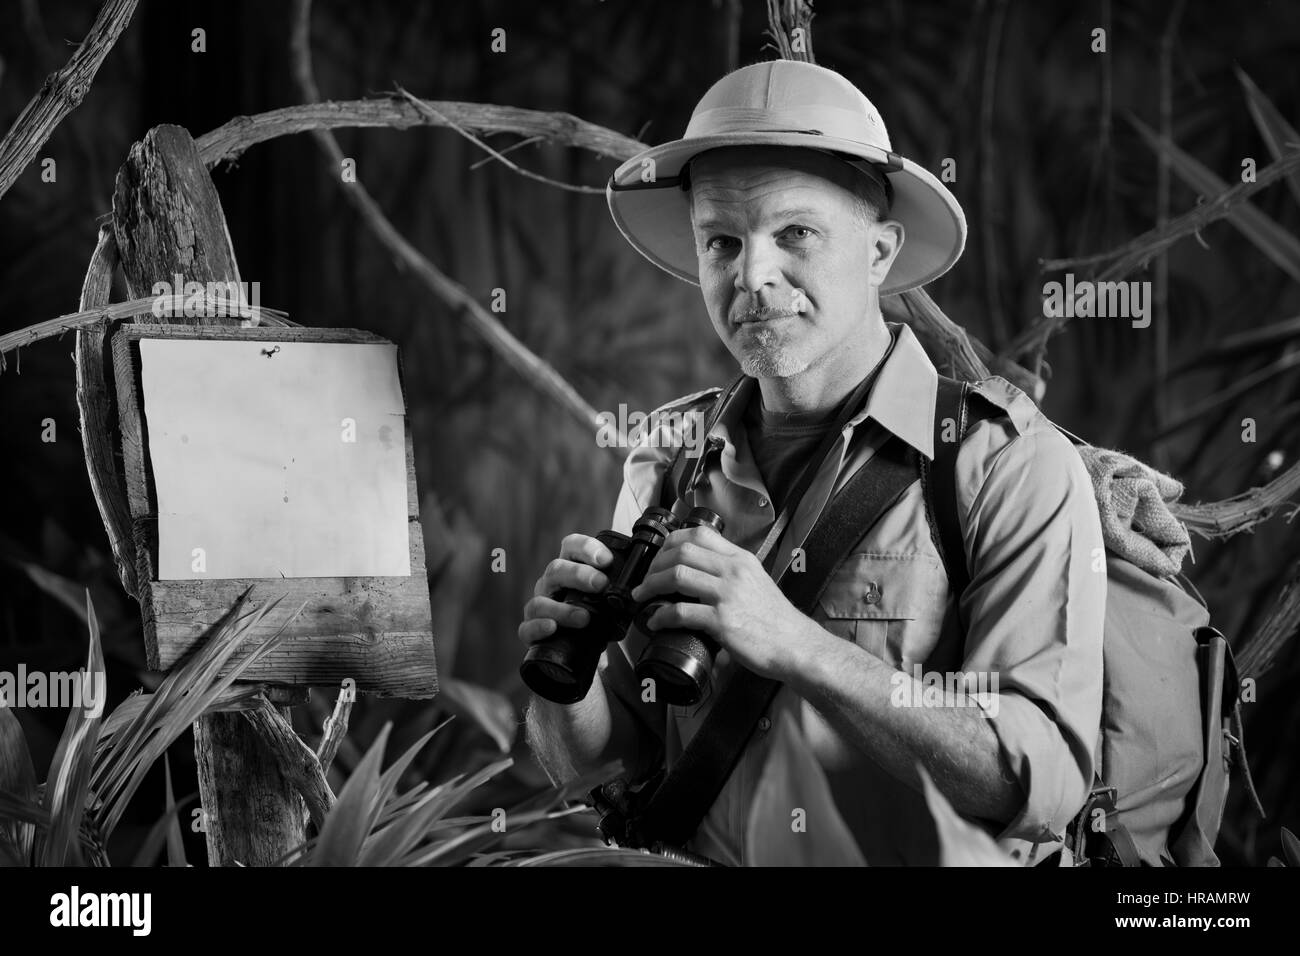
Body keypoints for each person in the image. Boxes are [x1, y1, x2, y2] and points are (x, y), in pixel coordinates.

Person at [518, 59, 1106, 866]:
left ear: (879, 252)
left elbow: (1033, 782)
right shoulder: (670, 460)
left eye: (795, 232)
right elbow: (605, 765)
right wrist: (569, 673)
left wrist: (795, 643)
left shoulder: (1004, 468)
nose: (753, 275)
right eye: (721, 240)